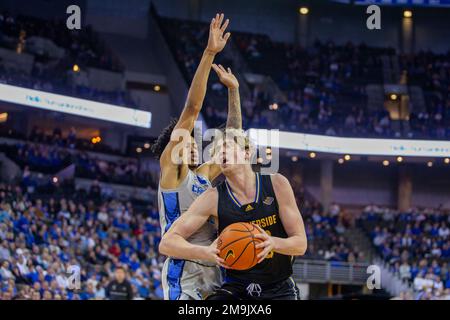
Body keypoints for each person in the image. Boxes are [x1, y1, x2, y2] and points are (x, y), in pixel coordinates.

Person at [151, 13, 242, 300]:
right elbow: (191, 109)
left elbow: (233, 140)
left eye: (193, 141)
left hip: (213, 267)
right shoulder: (171, 173)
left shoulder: (201, 175)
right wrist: (209, 52)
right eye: (185, 140)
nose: (191, 144)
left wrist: (234, 92)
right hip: (184, 268)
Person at [159, 131, 307, 300]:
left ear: (247, 152)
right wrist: (205, 252)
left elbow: (300, 244)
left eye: (226, 146)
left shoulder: (277, 183)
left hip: (278, 288)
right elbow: (167, 243)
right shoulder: (212, 197)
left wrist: (273, 242)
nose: (221, 152)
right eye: (216, 151)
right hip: (237, 289)